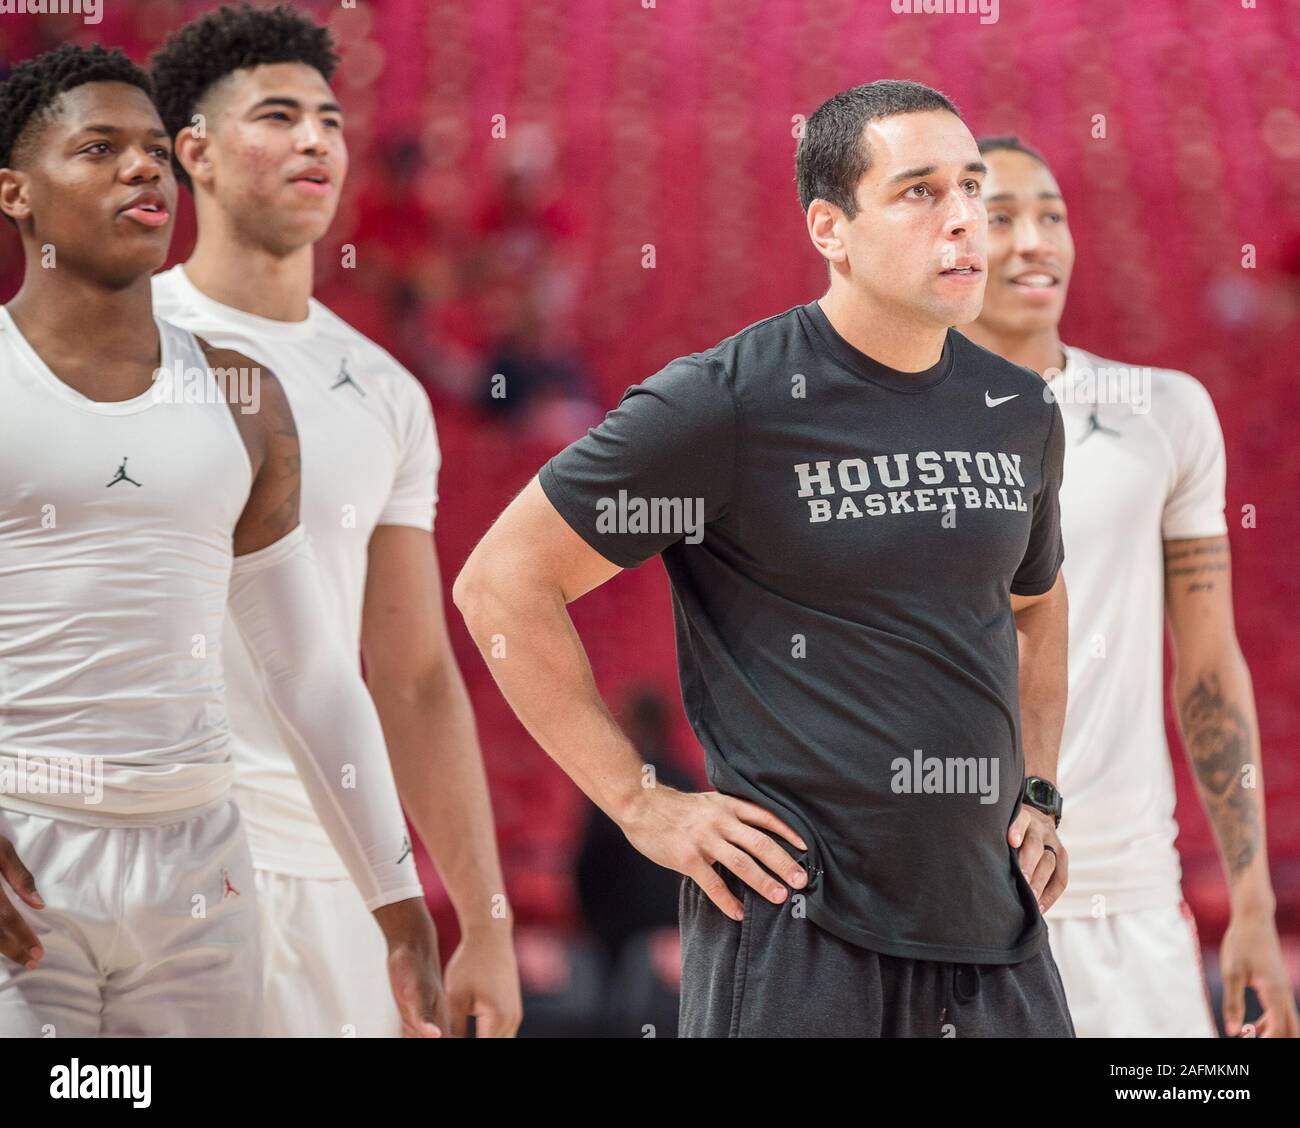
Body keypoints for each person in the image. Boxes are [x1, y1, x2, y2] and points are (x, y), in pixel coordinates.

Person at [454, 79, 1074, 1037]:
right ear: (830, 227)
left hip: (994, 932)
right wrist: (639, 802)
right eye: (920, 192)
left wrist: (1037, 786)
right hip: (798, 936)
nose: (964, 220)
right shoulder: (724, 404)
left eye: (970, 187)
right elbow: (500, 584)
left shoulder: (1021, 408)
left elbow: (1036, 606)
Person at [0, 43, 445, 1037]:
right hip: (25, 850)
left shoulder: (246, 398)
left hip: (203, 862)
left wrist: (397, 899)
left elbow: (313, 674)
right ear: (14, 192)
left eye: (156, 149)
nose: (142, 168)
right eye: (100, 148)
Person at [148, 3, 520, 1037]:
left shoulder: (387, 392)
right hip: (140, 858)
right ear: (197, 154)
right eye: (277, 115)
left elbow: (411, 673)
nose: (317, 138)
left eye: (330, 119)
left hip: (335, 876)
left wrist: (483, 921)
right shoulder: (105, 350)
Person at [962, 134, 1299, 1038]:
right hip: (950, 913)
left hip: (1130, 900)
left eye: (1052, 216)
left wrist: (1253, 901)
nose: (1035, 241)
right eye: (1001, 219)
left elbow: (1209, 667)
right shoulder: (882, 428)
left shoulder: (1168, 410)